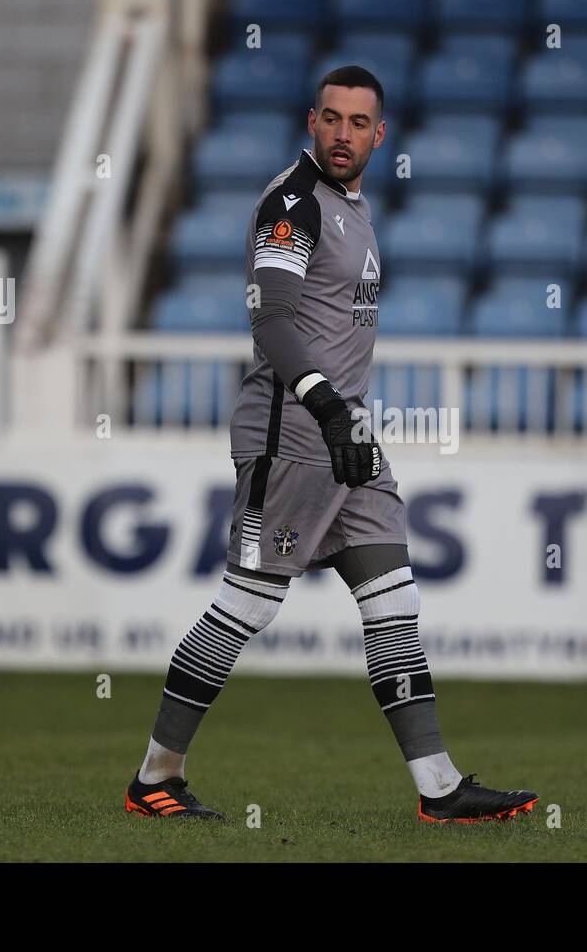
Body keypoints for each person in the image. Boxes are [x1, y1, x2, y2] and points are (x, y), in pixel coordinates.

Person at [124, 66, 537, 823]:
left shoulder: (352, 208)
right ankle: (156, 777)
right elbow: (273, 323)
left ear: (380, 136)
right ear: (311, 122)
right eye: (332, 119)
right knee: (246, 604)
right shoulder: (293, 206)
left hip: (347, 437)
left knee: (394, 602)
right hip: (293, 436)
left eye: (359, 124)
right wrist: (326, 406)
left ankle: (440, 788)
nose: (343, 135)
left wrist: (347, 419)